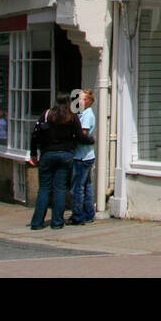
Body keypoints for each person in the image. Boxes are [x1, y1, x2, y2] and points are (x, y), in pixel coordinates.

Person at [27, 93, 89, 230]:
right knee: (60, 189)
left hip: (47, 154)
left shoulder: (47, 115)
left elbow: (35, 135)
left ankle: (37, 223)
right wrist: (91, 140)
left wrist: (33, 154)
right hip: (65, 155)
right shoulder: (72, 117)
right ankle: (57, 222)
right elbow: (80, 136)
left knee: (44, 189)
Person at [69, 89, 96, 225]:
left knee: (77, 188)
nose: (79, 101)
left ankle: (78, 215)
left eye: (83, 99)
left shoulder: (87, 115)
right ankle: (88, 213)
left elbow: (82, 135)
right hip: (84, 155)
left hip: (82, 156)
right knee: (86, 186)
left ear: (89, 101)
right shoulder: (81, 114)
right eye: (78, 99)